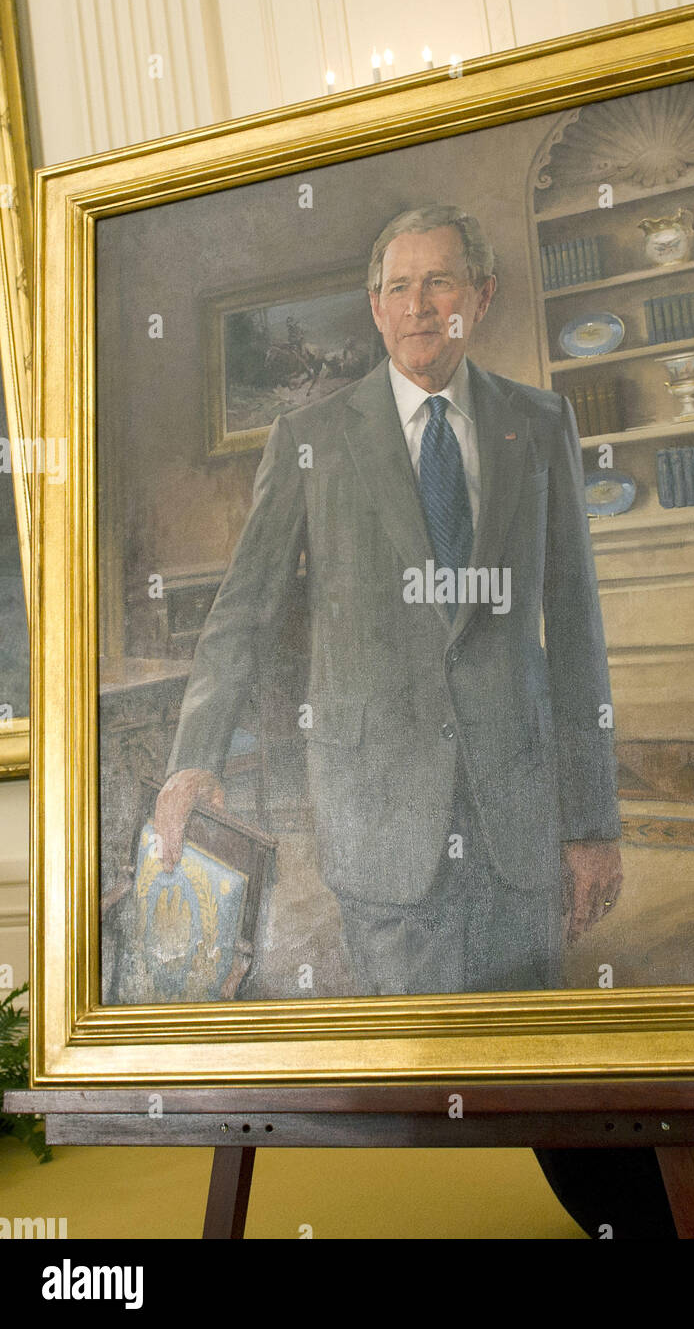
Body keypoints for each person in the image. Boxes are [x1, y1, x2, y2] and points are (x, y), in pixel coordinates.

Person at [155, 204, 623, 996]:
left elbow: (577, 628)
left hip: (520, 810)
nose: (419, 305)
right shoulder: (309, 436)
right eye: (399, 287)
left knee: (538, 1064)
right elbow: (243, 613)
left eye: (440, 282)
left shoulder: (542, 423)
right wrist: (195, 758)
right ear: (375, 308)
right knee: (416, 1077)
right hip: (378, 815)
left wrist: (592, 822)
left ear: (482, 295)